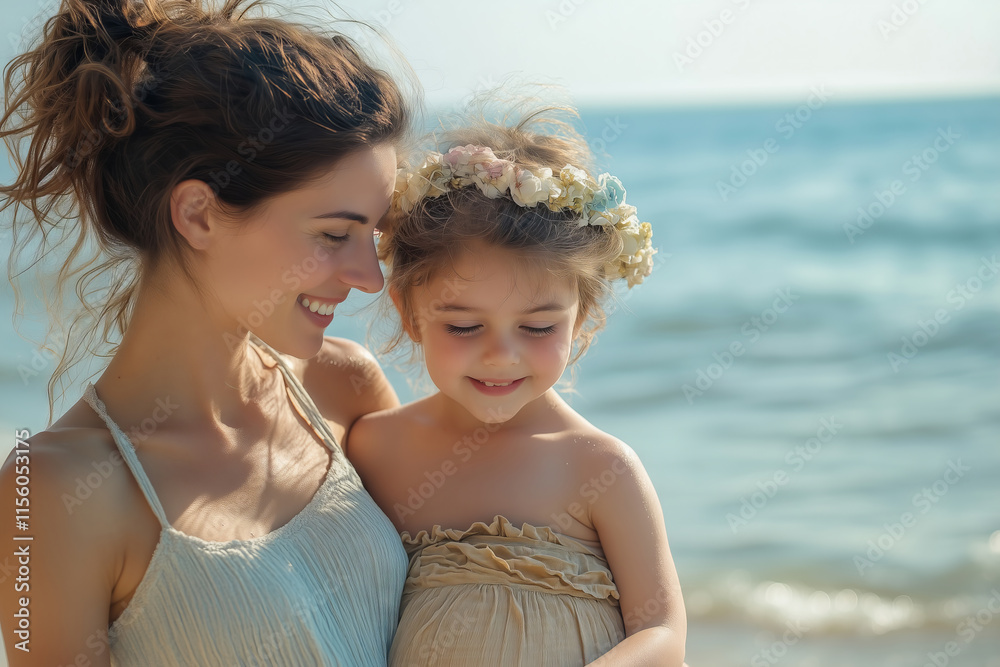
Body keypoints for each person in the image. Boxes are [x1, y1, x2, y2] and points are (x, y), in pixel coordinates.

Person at [0, 0, 412, 664]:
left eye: (375, 234)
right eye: (335, 234)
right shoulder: (49, 489)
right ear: (199, 214)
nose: (370, 275)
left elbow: (480, 563)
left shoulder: (345, 388)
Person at [347, 111, 687, 666]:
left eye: (537, 328)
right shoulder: (373, 450)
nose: (501, 355)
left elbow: (664, 635)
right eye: (463, 325)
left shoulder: (600, 468)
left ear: (581, 321)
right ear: (409, 313)